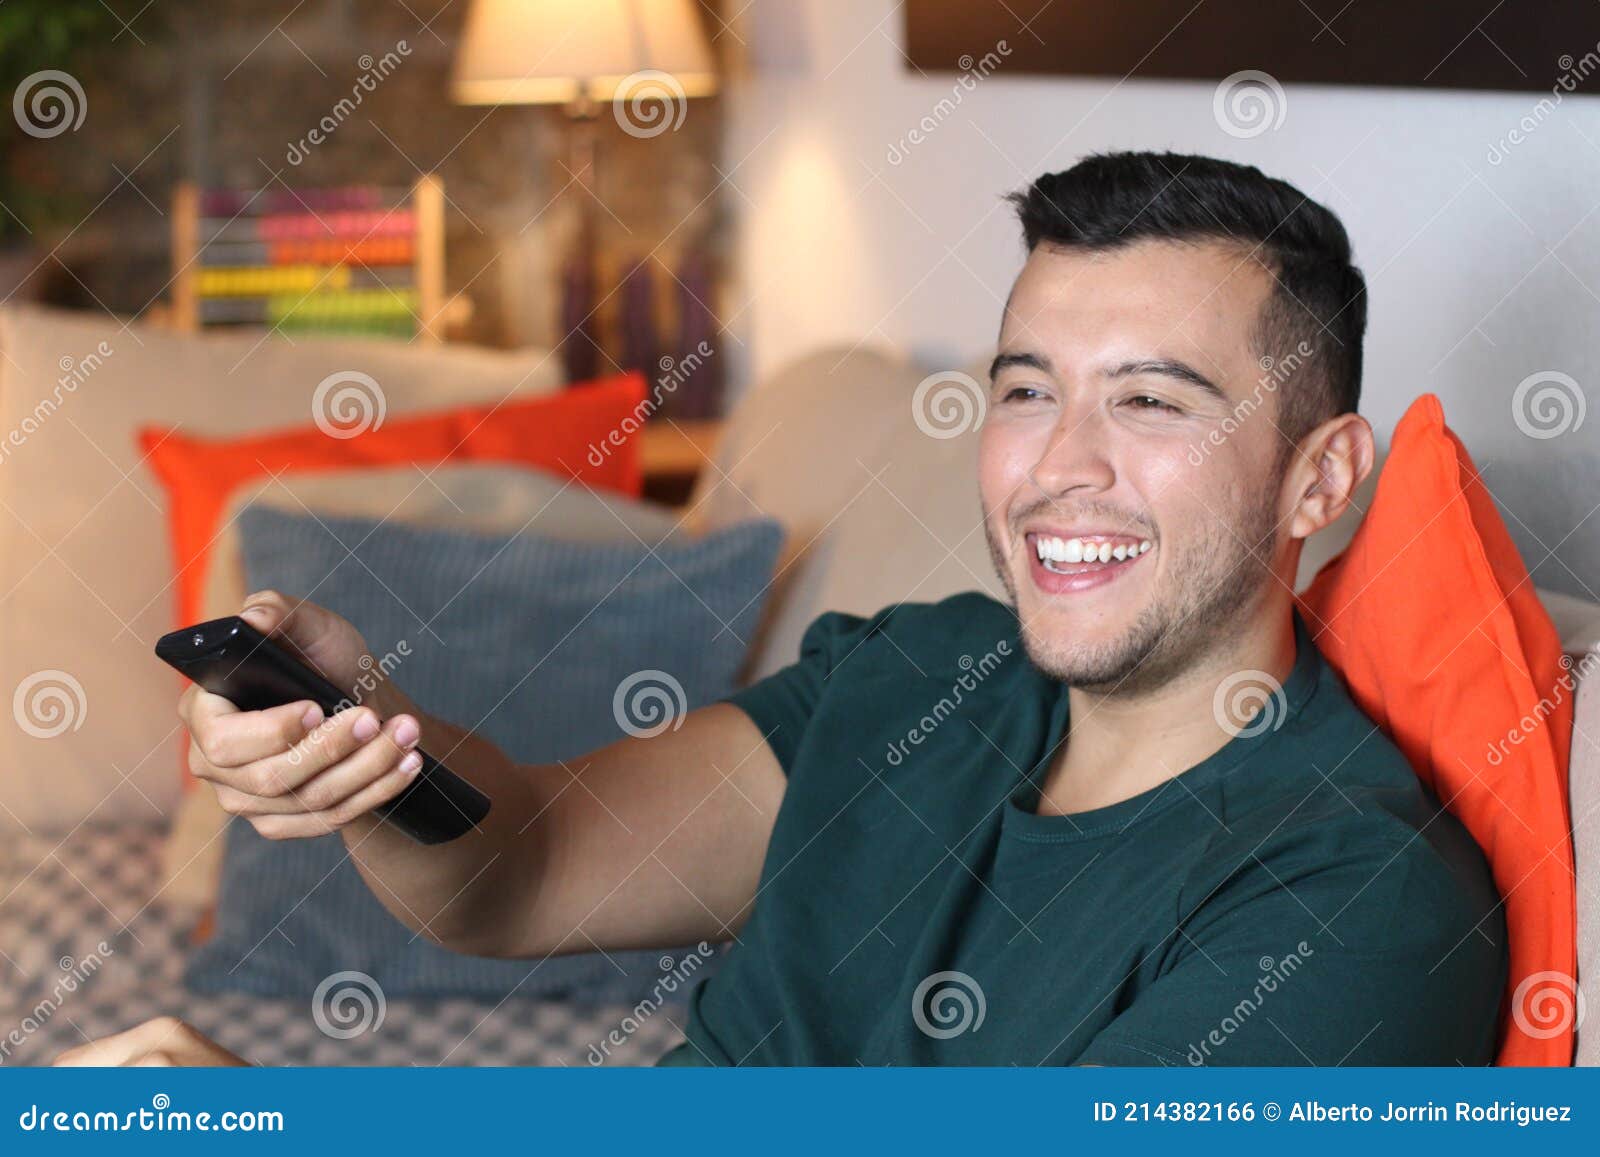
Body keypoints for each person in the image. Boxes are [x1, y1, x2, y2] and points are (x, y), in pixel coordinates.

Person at [57, 152, 1505, 1068]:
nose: (1060, 467)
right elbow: (527, 867)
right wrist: (367, 747)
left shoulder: (1347, 905)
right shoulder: (924, 673)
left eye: (1149, 399)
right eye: (1024, 391)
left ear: (1320, 479)